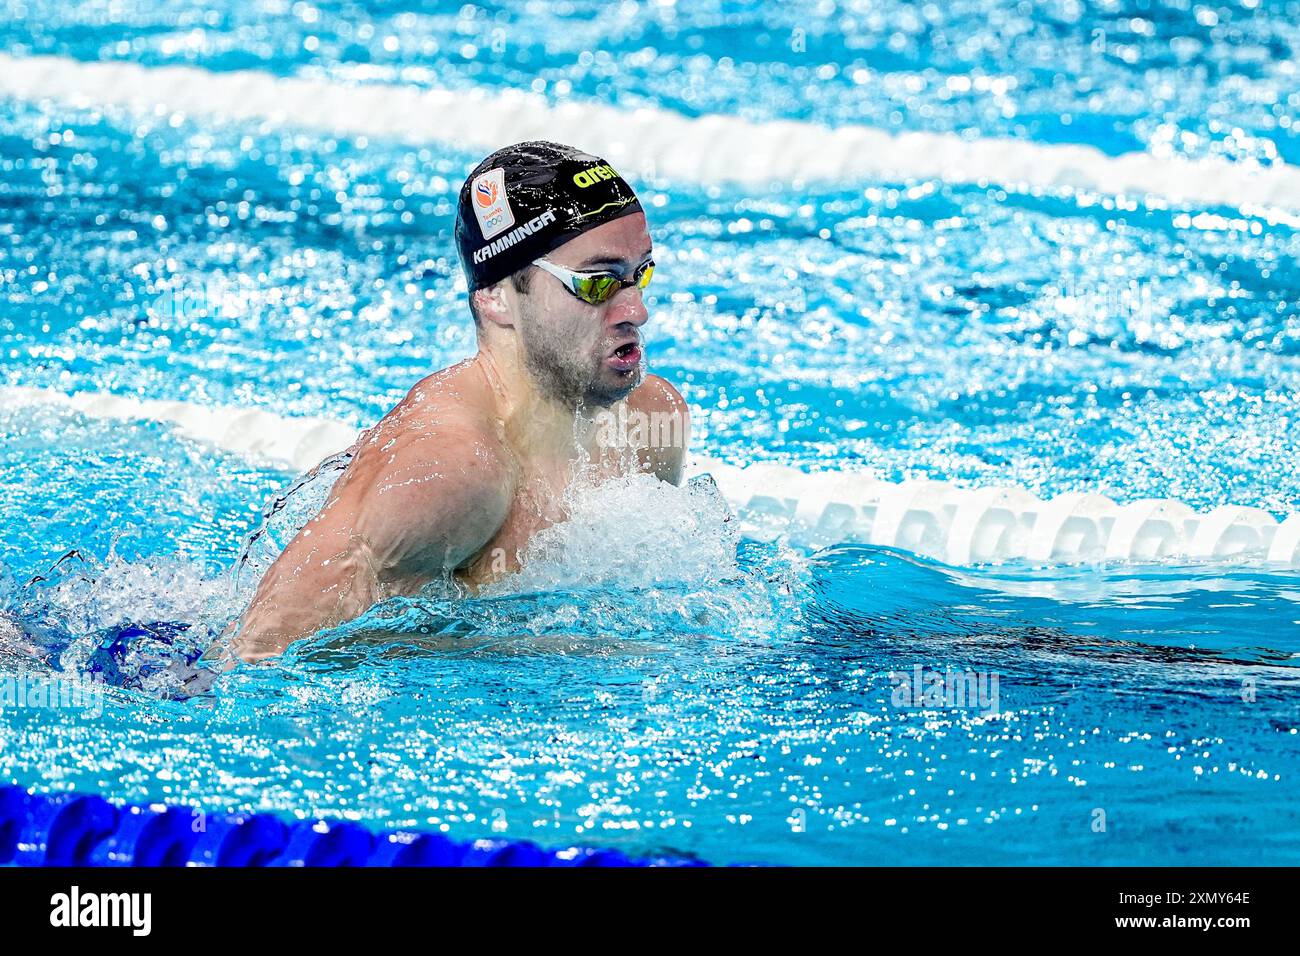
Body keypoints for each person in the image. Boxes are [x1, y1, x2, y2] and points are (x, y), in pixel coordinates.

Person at [226, 141, 689, 662]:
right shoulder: (454, 473)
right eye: (597, 282)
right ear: (496, 297)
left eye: (640, 273)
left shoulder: (650, 419)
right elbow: (252, 661)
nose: (636, 310)